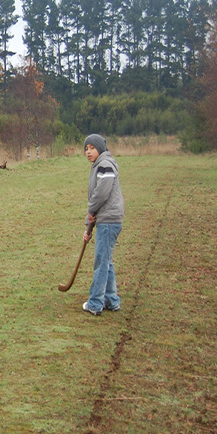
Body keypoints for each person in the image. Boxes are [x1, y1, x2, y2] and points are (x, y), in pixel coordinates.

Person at [81, 134, 124, 316]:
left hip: (109, 221)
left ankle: (95, 303)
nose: (88, 152)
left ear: (100, 148)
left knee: (101, 262)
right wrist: (88, 226)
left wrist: (90, 212)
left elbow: (100, 194)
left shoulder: (105, 165)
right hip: (105, 220)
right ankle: (111, 300)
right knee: (106, 261)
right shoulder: (99, 165)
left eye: (92, 148)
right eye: (86, 149)